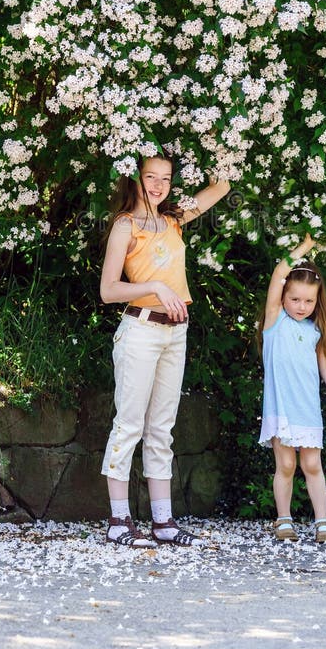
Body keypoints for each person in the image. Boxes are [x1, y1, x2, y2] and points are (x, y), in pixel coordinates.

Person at [100, 152, 230, 547]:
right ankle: (119, 521)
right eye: (150, 177)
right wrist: (155, 287)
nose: (157, 185)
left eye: (166, 178)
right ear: (134, 179)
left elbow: (222, 186)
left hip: (176, 333)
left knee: (162, 429)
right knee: (130, 424)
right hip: (140, 330)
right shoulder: (125, 226)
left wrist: (223, 136)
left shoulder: (173, 220)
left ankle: (163, 522)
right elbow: (108, 291)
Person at [258, 234, 326, 543]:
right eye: (295, 299)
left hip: (307, 408)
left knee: (312, 464)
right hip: (281, 407)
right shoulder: (274, 321)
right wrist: (305, 247)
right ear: (284, 296)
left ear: (317, 301)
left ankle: (322, 522)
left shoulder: (315, 330)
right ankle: (283, 520)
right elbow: (277, 274)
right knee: (285, 464)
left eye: (309, 301)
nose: (301, 306)